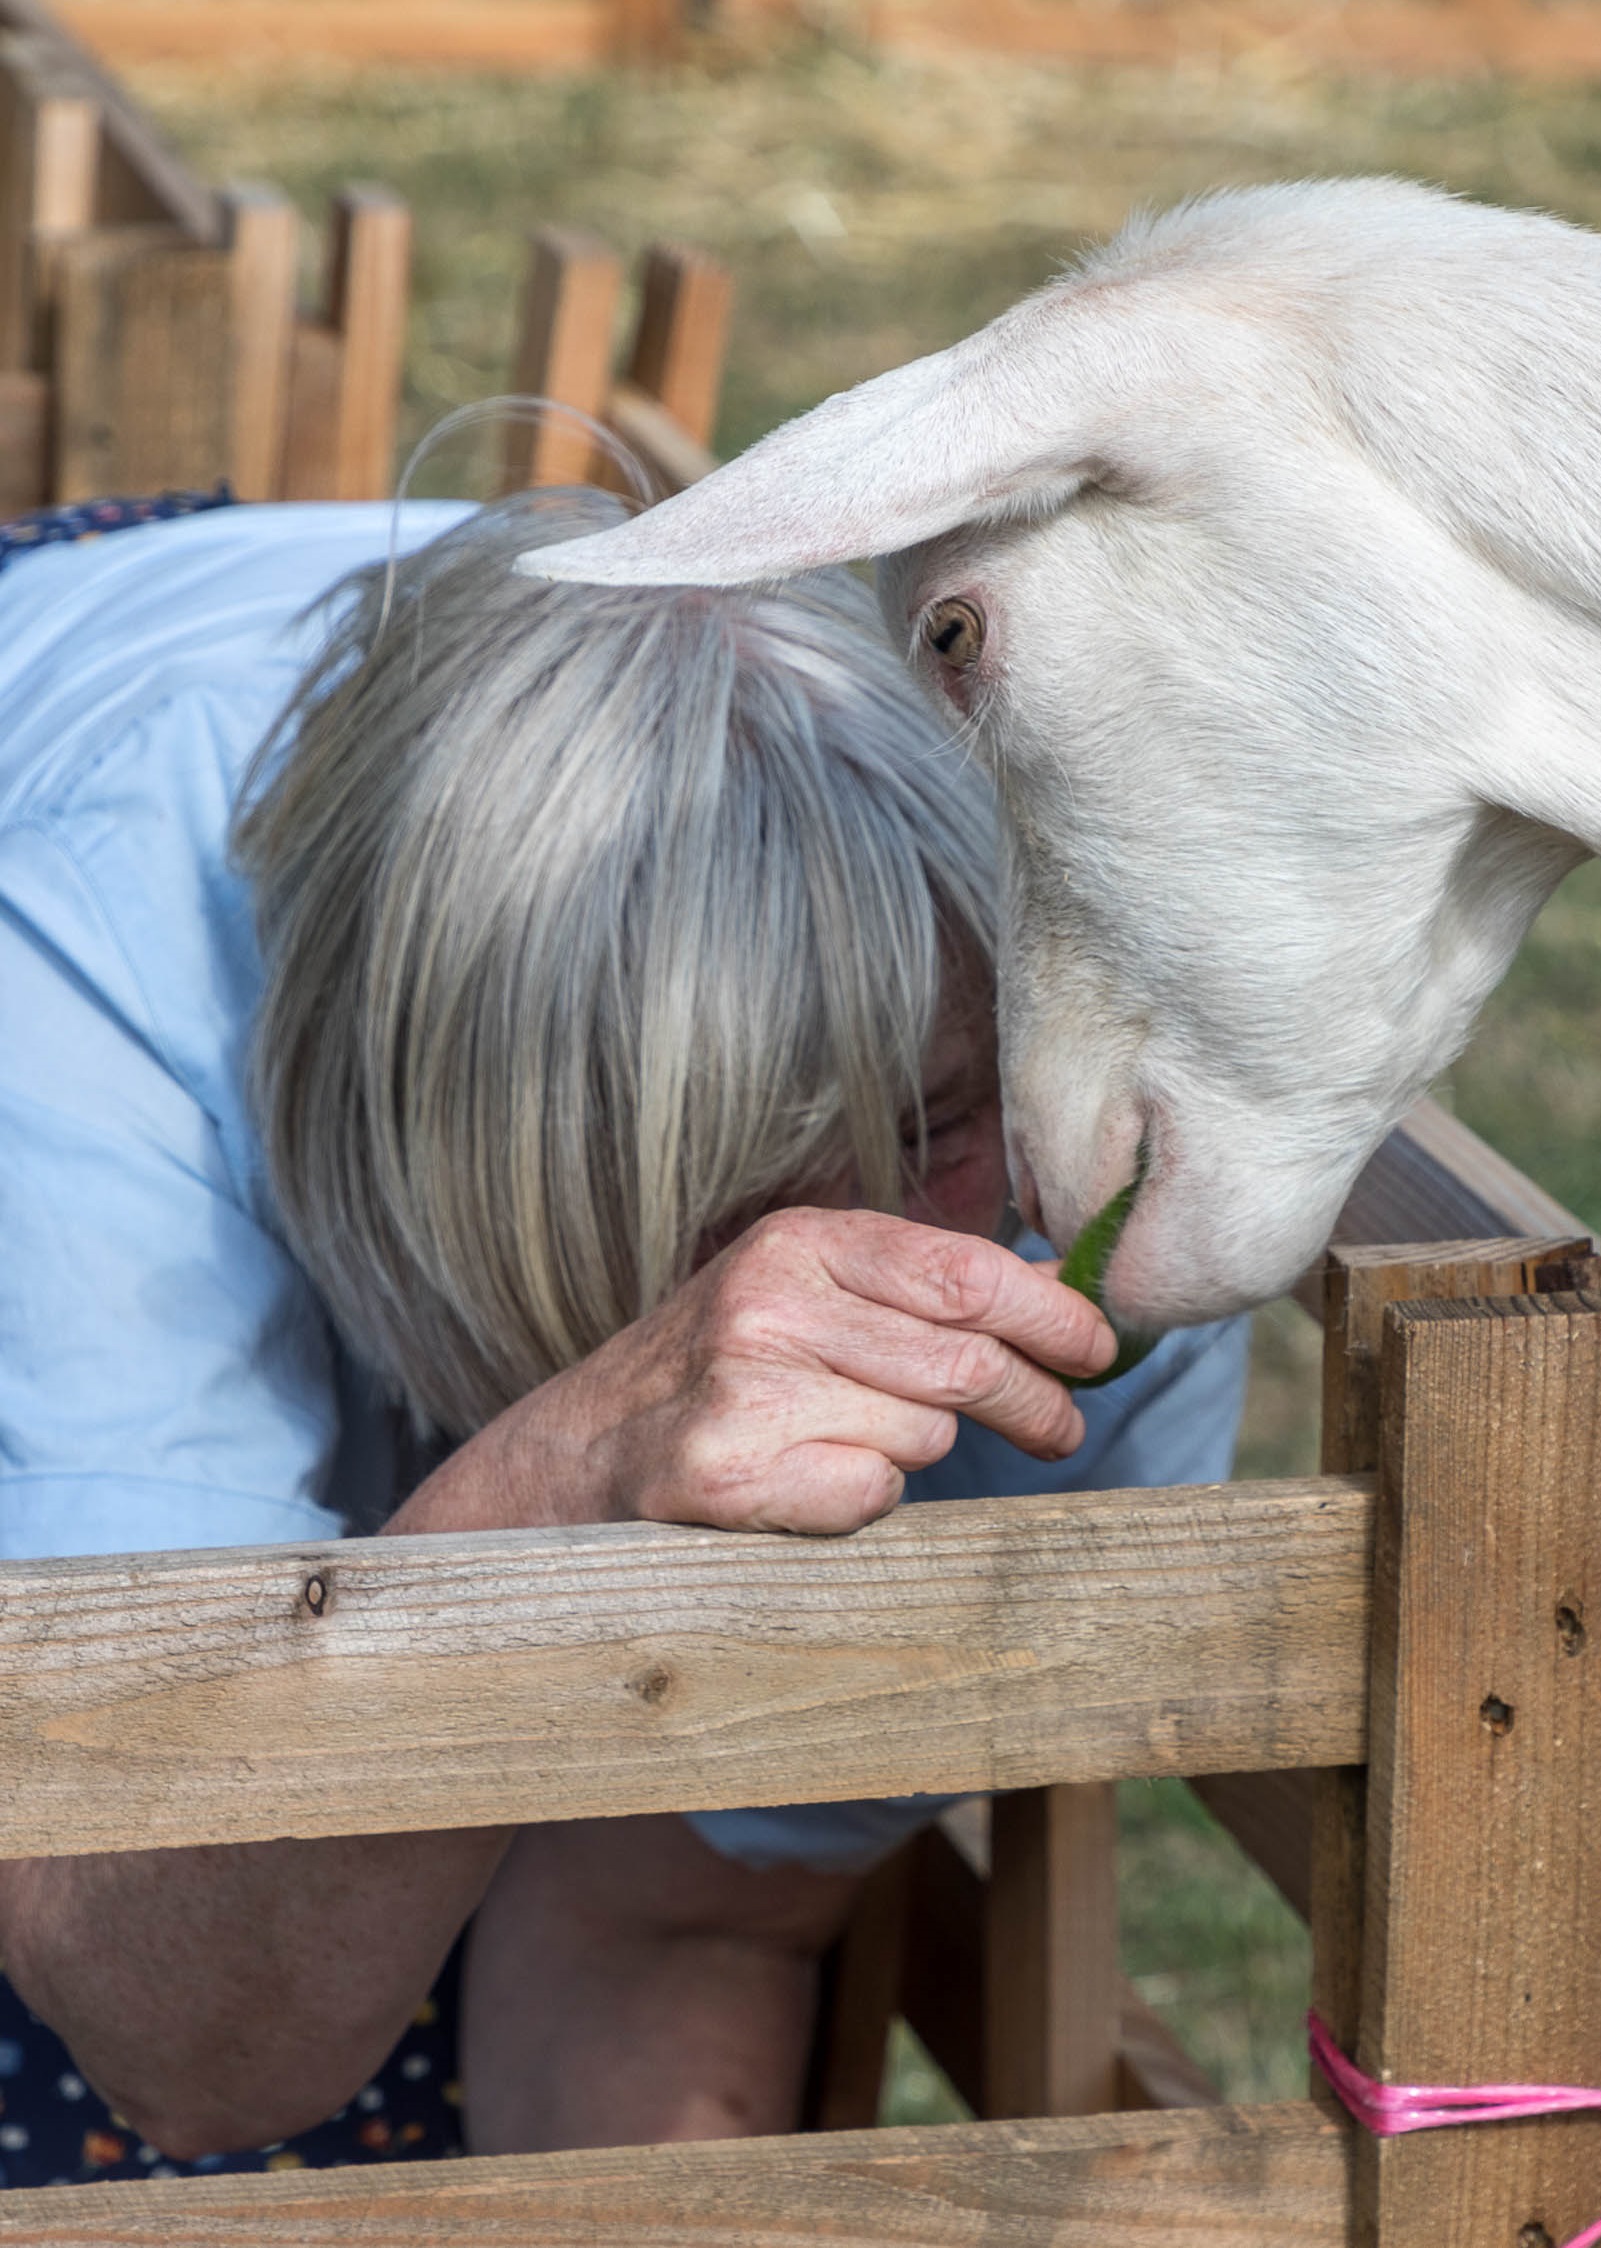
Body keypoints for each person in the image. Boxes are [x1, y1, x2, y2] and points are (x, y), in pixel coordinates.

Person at [0, 482, 1248, 2186]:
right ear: (477, 1174)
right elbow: (175, 2030)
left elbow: (661, 1920)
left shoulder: (1081, 1230)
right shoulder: (80, 1038)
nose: (906, 1250)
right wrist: (555, 1477)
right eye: (752, 1197)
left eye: (937, 1111)